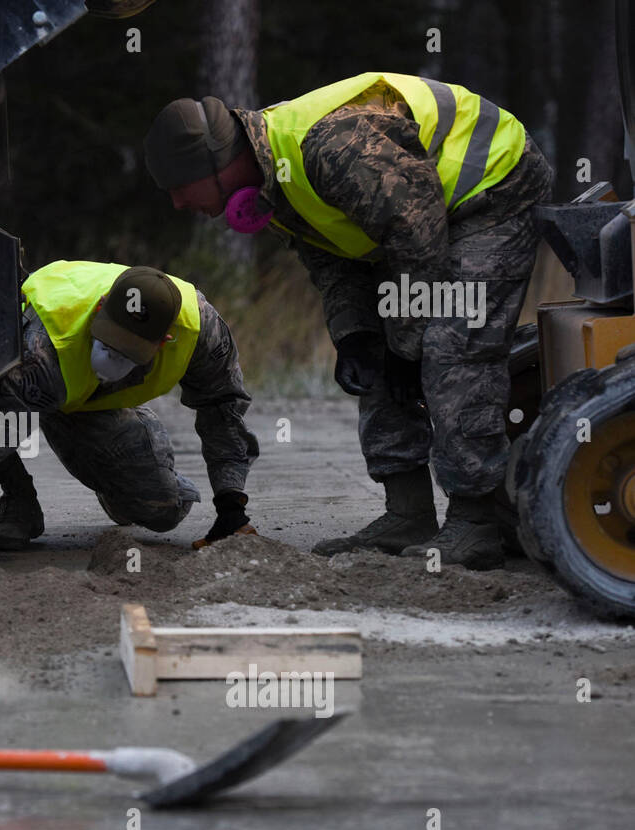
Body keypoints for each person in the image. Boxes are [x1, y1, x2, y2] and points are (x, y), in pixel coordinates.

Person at [145, 73, 553, 570]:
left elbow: (416, 234)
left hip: (492, 187)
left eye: (179, 188)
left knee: (452, 345)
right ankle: (408, 511)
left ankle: (476, 522)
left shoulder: (328, 149)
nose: (178, 204)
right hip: (417, 221)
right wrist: (356, 337)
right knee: (379, 355)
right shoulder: (272, 185)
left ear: (215, 165)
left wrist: (406, 344)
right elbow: (334, 259)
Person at [0, 260, 259, 571]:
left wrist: (231, 507)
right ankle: (19, 504)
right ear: (102, 307)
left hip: (90, 399)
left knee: (163, 511)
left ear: (165, 340)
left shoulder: (201, 330)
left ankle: (130, 453)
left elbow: (224, 409)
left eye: (128, 352)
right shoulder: (44, 350)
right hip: (41, 378)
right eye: (108, 341)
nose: (111, 357)